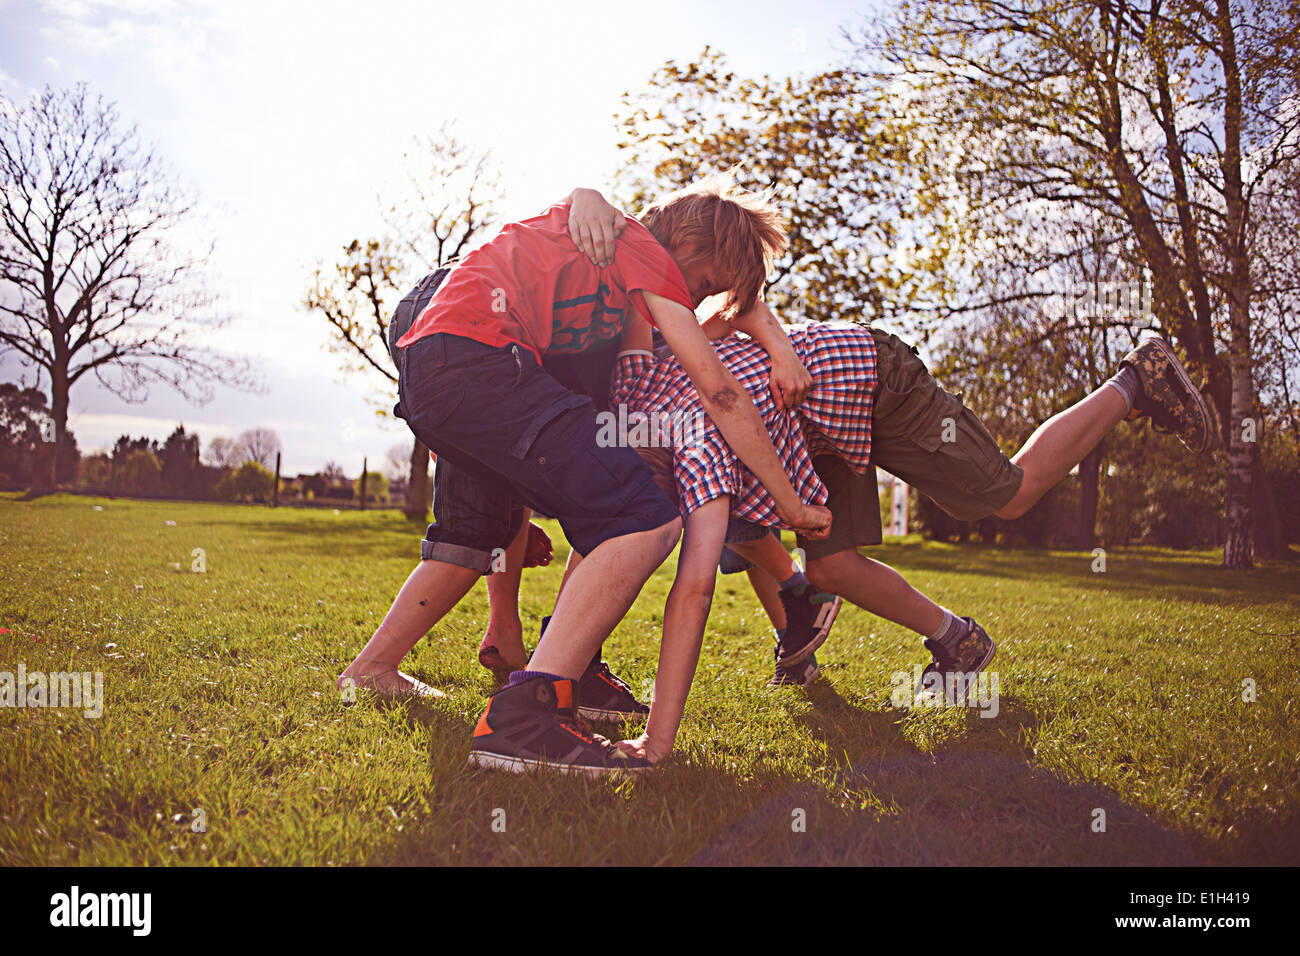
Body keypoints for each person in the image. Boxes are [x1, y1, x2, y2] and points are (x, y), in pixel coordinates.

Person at [338, 178, 831, 777]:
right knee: (643, 515)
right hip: (482, 360)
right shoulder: (637, 248)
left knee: (485, 525)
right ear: (688, 241)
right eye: (703, 284)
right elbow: (720, 391)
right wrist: (792, 501)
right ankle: (525, 718)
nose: (694, 301)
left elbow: (719, 310)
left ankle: (376, 670)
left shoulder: (606, 250)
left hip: (433, 370)